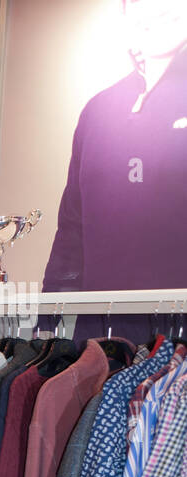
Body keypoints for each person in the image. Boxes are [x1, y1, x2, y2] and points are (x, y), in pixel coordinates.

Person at [44, 0, 187, 297]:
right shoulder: (98, 110)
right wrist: (50, 320)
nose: (154, 7)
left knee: (168, 347)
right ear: (124, 11)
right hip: (104, 328)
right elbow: (72, 223)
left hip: (178, 330)